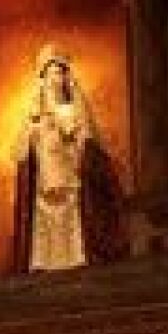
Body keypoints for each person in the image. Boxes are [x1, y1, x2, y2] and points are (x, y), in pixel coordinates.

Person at [12, 43, 124, 273]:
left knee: (70, 215)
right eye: (51, 73)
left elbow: (80, 137)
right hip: (45, 178)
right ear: (43, 78)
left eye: (59, 73)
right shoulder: (34, 114)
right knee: (45, 219)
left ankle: (75, 257)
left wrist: (58, 117)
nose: (56, 78)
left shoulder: (71, 109)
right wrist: (33, 127)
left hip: (68, 174)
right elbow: (19, 152)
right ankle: (44, 261)